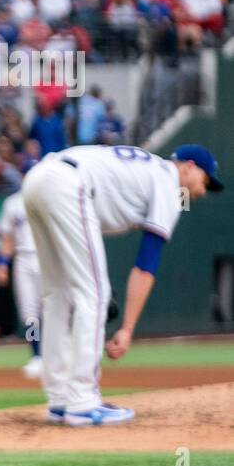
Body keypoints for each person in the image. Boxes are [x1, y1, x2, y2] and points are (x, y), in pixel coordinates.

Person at [21, 143, 222, 426]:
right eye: (205, 181)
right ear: (188, 167)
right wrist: (127, 329)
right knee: (94, 293)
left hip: (37, 179)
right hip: (68, 186)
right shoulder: (168, 182)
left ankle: (60, 399)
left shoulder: (149, 170)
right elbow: (145, 265)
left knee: (58, 295)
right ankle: (82, 400)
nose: (202, 191)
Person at [0, 183, 42, 379]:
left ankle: (58, 356)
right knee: (29, 313)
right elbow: (8, 239)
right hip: (23, 258)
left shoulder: (50, 196)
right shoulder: (13, 202)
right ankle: (37, 356)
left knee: (53, 310)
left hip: (48, 257)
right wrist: (2, 263)